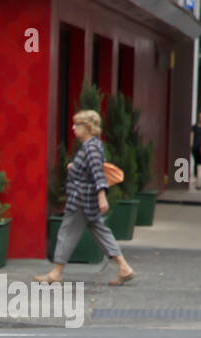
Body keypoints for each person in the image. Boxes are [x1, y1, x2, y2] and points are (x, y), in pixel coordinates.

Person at [36, 109, 135, 287]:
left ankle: (56, 273)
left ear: (88, 127)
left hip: (80, 199)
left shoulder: (91, 148)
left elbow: (97, 174)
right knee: (101, 232)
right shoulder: (93, 146)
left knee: (66, 233)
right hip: (87, 200)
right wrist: (74, 166)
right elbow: (91, 169)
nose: (73, 128)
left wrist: (102, 196)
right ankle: (124, 267)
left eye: (77, 125)